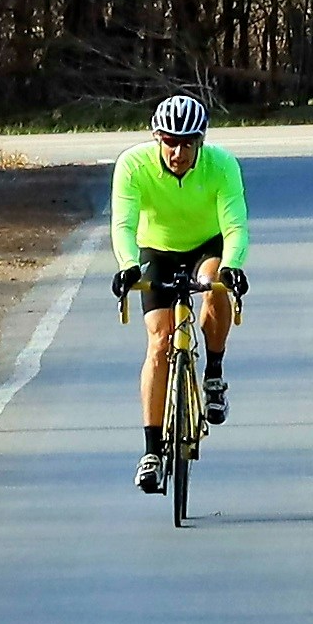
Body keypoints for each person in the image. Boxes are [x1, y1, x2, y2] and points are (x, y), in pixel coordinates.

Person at [108, 91, 247, 491]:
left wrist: (234, 265)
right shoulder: (132, 165)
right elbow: (123, 223)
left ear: (201, 141)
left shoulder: (222, 166)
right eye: (170, 141)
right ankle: (152, 451)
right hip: (156, 249)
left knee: (216, 284)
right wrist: (126, 265)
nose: (178, 151)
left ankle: (215, 373)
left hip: (207, 243)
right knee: (159, 341)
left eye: (188, 142)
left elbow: (235, 225)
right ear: (157, 138)